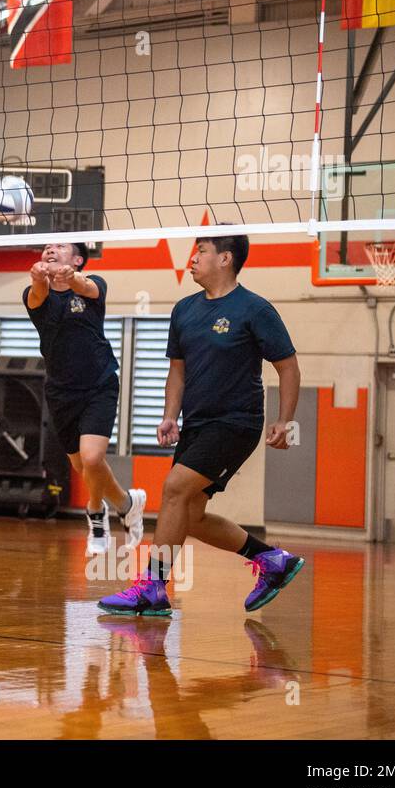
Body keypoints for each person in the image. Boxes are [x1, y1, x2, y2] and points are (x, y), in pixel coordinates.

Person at [99, 232, 304, 617]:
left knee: (174, 489)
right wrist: (168, 415)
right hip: (197, 423)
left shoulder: (255, 309)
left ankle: (152, 588)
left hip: (236, 423)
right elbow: (177, 370)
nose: (192, 259)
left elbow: (288, 366)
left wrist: (285, 420)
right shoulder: (184, 310)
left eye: (201, 252)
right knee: (189, 515)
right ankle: (273, 561)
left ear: (225, 259)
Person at [25, 241, 145, 555]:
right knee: (83, 466)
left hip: (99, 384)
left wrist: (70, 277)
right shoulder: (35, 294)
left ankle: (95, 512)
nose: (51, 249)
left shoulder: (94, 285)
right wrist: (39, 278)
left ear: (78, 259)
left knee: (92, 458)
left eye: (60, 247)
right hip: (60, 392)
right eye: (47, 247)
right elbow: (37, 294)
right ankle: (126, 503)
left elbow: (86, 286)